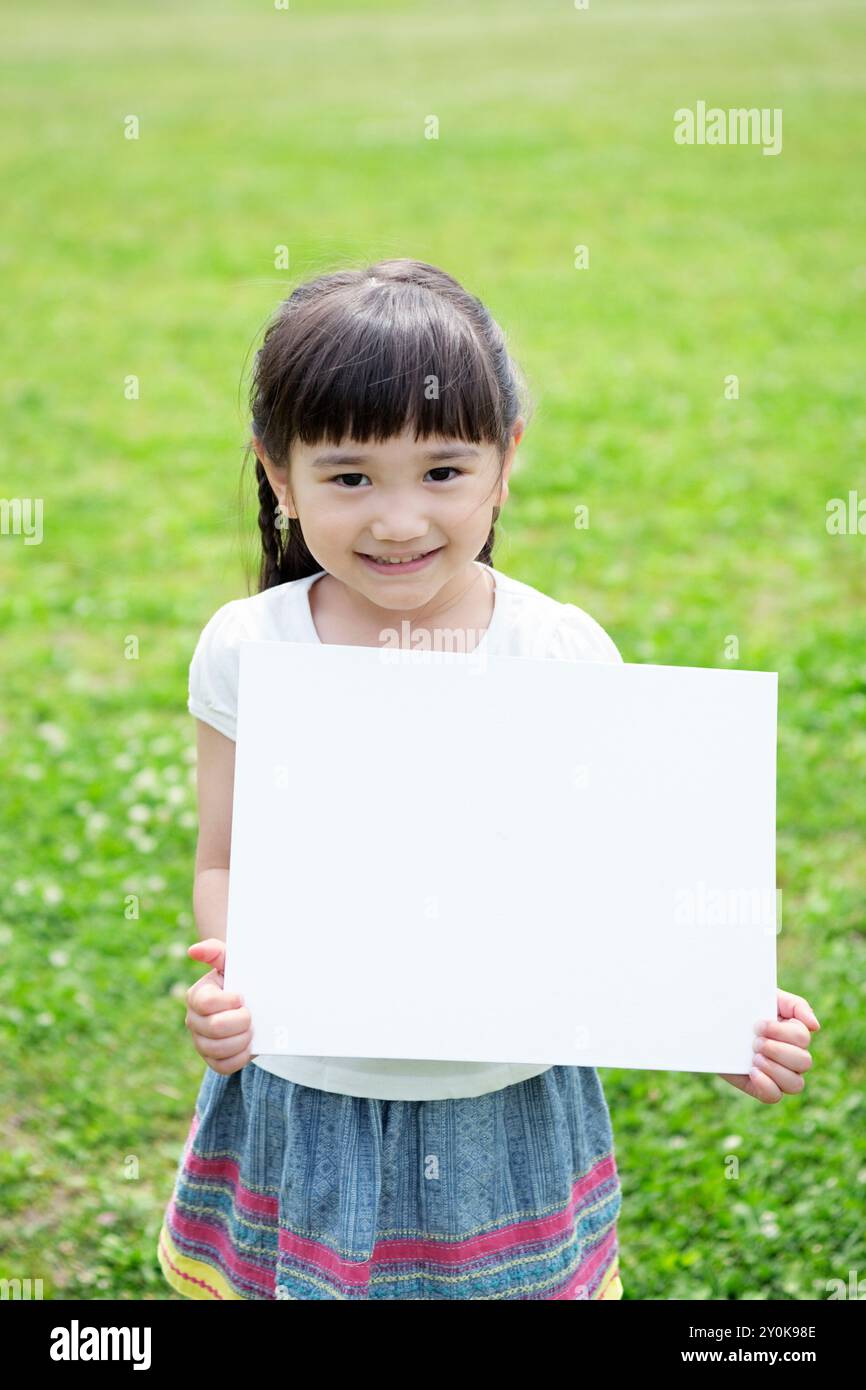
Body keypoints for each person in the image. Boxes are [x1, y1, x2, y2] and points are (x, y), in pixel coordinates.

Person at [156, 258, 819, 1301]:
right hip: (307, 1093)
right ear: (276, 473)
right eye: (347, 476)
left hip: (501, 1105)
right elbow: (226, 855)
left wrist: (716, 1010)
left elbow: (621, 883)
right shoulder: (250, 646)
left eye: (441, 471)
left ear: (505, 460)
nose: (398, 520)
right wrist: (230, 978)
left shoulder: (553, 649)